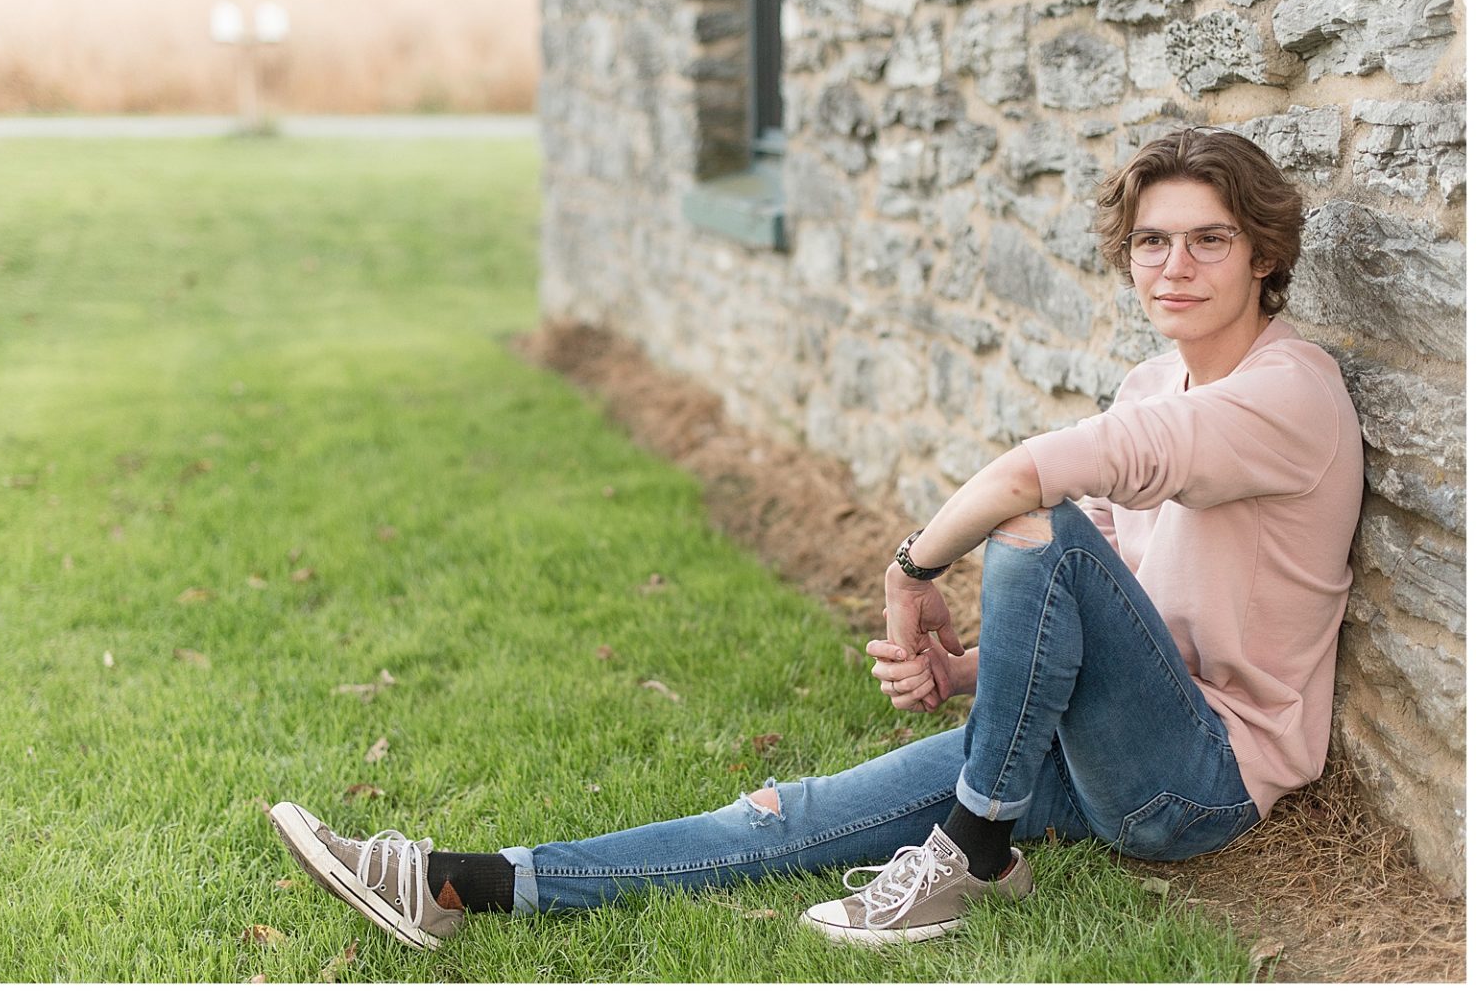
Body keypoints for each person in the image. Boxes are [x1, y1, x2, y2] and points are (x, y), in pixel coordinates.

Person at [269, 126, 1363, 949]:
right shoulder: (1153, 379)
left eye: (1209, 241)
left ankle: (975, 856)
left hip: (1195, 781)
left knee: (1036, 519)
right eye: (1153, 241)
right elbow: (1117, 586)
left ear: (1265, 255)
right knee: (792, 815)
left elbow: (1033, 486)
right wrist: (978, 665)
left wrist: (911, 571)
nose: (1173, 265)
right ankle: (462, 884)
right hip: (1110, 731)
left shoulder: (1287, 395)